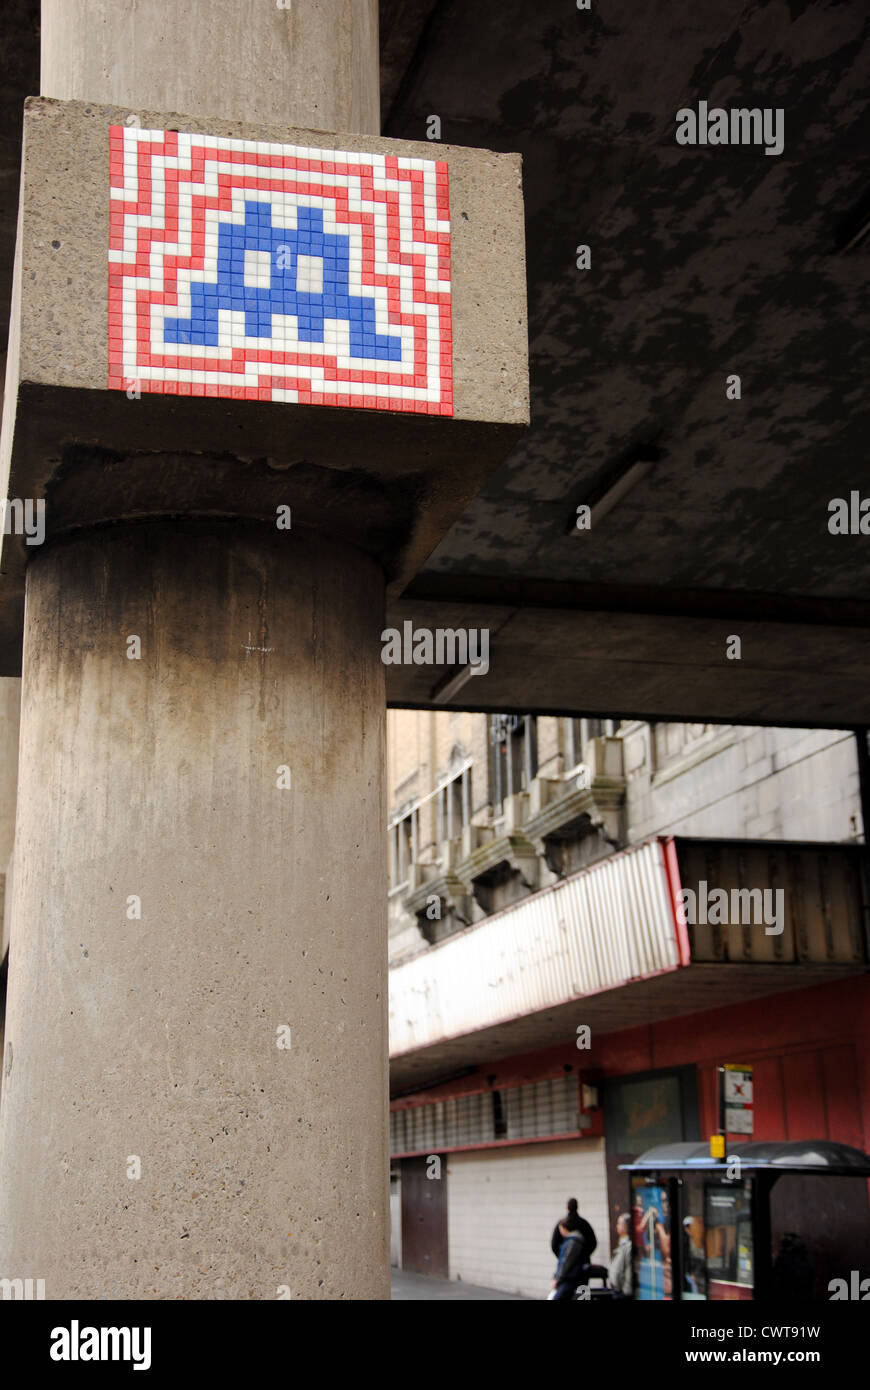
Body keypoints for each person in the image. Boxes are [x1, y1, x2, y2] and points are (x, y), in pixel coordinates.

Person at [551, 1214, 588, 1300]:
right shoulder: (573, 1241)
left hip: (570, 1279)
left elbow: (566, 1262)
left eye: (560, 1229)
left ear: (564, 1228)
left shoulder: (573, 1242)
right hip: (572, 1279)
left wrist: (557, 1278)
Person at [550, 1197, 597, 1262]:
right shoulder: (584, 1223)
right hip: (583, 1262)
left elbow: (554, 1244)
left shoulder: (561, 1224)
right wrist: (585, 1255)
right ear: (577, 1207)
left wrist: (562, 1257)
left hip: (566, 1262)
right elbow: (593, 1243)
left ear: (567, 1207)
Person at [608, 1212, 633, 1297]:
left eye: (619, 1224)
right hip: (618, 1290)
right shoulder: (622, 1243)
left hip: (623, 1292)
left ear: (626, 1226)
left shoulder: (627, 1245)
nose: (617, 1226)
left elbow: (620, 1269)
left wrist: (618, 1286)